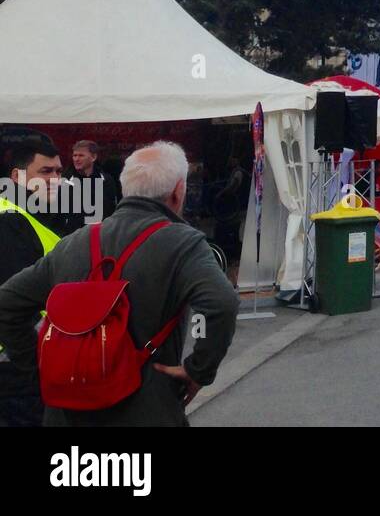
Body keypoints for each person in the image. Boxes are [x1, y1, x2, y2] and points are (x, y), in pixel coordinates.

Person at [0, 141, 241, 425]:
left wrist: (38, 366)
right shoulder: (182, 242)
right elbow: (221, 303)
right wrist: (199, 370)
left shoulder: (74, 242)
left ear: (126, 188)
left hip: (68, 409)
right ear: (178, 191)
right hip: (146, 408)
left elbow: (7, 303)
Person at [0, 133, 64, 427]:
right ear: (17, 176)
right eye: (45, 172)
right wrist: (33, 364)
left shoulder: (28, 214)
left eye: (59, 172)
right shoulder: (11, 220)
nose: (55, 180)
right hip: (17, 364)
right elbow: (15, 302)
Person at [62, 140, 122, 231]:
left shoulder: (106, 181)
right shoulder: (65, 180)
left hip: (100, 234)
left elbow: (112, 209)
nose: (76, 159)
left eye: (81, 155)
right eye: (74, 155)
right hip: (72, 235)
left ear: (93, 157)